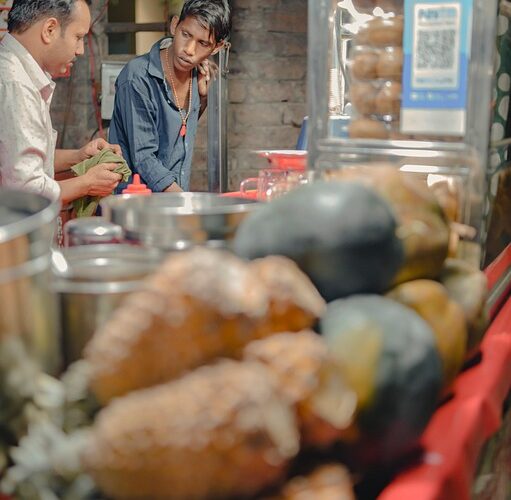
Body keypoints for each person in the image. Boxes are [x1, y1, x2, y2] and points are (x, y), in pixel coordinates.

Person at [0, 0, 122, 204]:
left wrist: (79, 156)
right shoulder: (15, 83)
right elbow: (26, 190)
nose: (80, 50)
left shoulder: (19, 73)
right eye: (78, 37)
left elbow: (19, 161)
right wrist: (87, 183)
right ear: (49, 30)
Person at [108, 0, 232, 193]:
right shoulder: (138, 77)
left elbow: (177, 134)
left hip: (171, 203)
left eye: (203, 43)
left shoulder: (196, 76)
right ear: (175, 25)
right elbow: (144, 158)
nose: (189, 50)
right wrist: (185, 204)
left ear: (216, 48)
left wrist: (203, 99)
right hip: (136, 207)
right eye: (186, 34)